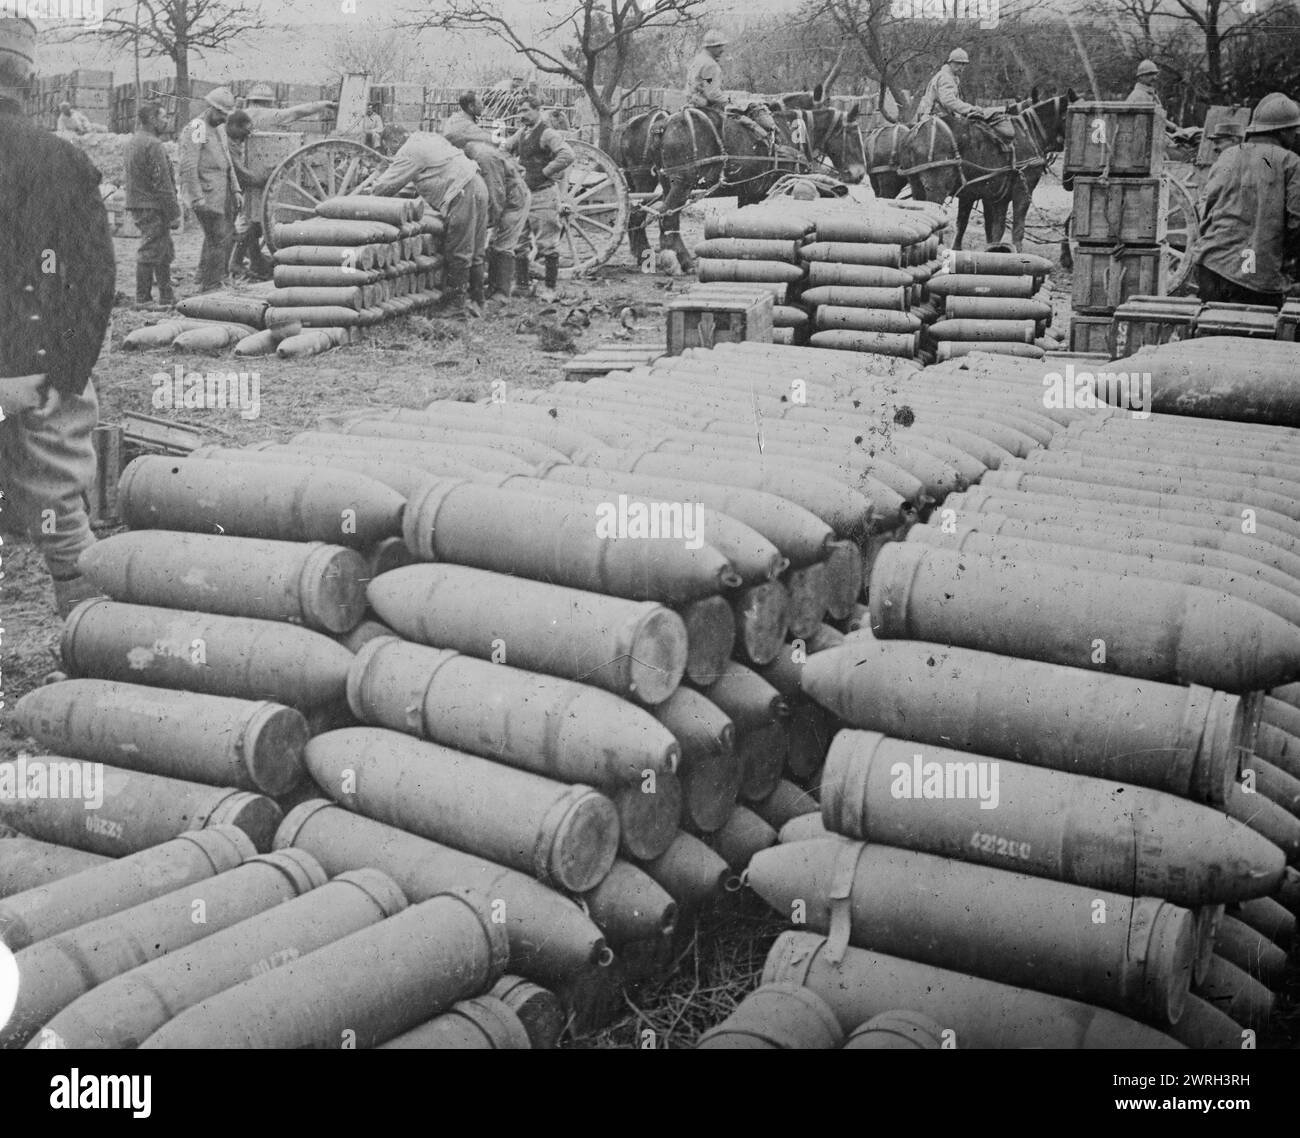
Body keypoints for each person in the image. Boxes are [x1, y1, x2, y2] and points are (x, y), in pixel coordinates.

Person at [1, 17, 115, 617]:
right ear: (29, 81)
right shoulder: (63, 163)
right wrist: (62, 372)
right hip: (37, 375)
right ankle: (86, 655)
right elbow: (95, 282)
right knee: (64, 532)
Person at [1192, 91, 1300, 307]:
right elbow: (1296, 223)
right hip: (1255, 278)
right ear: (1283, 131)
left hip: (1210, 267)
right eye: (1294, 131)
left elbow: (1205, 208)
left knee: (1210, 335)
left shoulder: (1228, 155)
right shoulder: (1290, 162)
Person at [369, 125, 489, 318]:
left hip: (462, 191)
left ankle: (456, 307)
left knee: (458, 249)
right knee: (474, 248)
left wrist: (364, 199)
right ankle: (477, 300)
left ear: (394, 141)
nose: (391, 153)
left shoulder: (409, 151)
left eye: (389, 148)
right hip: (476, 184)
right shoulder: (425, 137)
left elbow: (385, 188)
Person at [445, 94, 530, 301]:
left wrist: (490, 218)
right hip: (505, 192)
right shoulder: (469, 147)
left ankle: (501, 292)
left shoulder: (483, 155)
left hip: (514, 199)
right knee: (494, 243)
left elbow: (496, 190)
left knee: (503, 244)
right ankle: (492, 289)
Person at [504, 94, 574, 302]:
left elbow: (567, 155)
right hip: (524, 196)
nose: (522, 115)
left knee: (547, 244)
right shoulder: (522, 133)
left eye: (526, 110)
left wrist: (545, 172)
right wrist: (512, 167)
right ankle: (522, 286)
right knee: (520, 241)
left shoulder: (547, 134)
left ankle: (550, 289)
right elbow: (504, 149)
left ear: (537, 110)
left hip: (544, 195)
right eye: (520, 111)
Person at [178, 86, 241, 293]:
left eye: (226, 114)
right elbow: (189, 165)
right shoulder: (197, 127)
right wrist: (196, 197)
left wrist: (237, 189)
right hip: (206, 195)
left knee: (217, 236)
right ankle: (211, 284)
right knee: (219, 236)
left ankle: (205, 275)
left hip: (221, 194)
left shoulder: (219, 129)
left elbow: (227, 161)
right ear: (210, 108)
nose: (224, 118)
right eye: (221, 113)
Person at [124, 102, 180, 306]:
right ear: (152, 120)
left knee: (162, 249)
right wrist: (174, 213)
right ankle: (143, 298)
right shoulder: (153, 144)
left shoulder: (134, 141)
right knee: (151, 249)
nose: (167, 121)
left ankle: (166, 295)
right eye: (164, 117)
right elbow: (162, 182)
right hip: (152, 205)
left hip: (142, 202)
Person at [684, 29, 777, 146]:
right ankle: (766, 140)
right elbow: (712, 94)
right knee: (745, 118)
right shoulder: (710, 65)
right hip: (706, 105)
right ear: (710, 47)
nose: (722, 50)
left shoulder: (698, 60)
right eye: (719, 46)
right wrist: (731, 101)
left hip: (692, 103)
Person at [915, 47, 1013, 150]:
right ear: (950, 62)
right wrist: (970, 109)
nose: (961, 67)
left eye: (963, 64)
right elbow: (949, 102)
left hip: (940, 115)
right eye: (958, 64)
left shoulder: (952, 77)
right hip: (933, 116)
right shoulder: (945, 78)